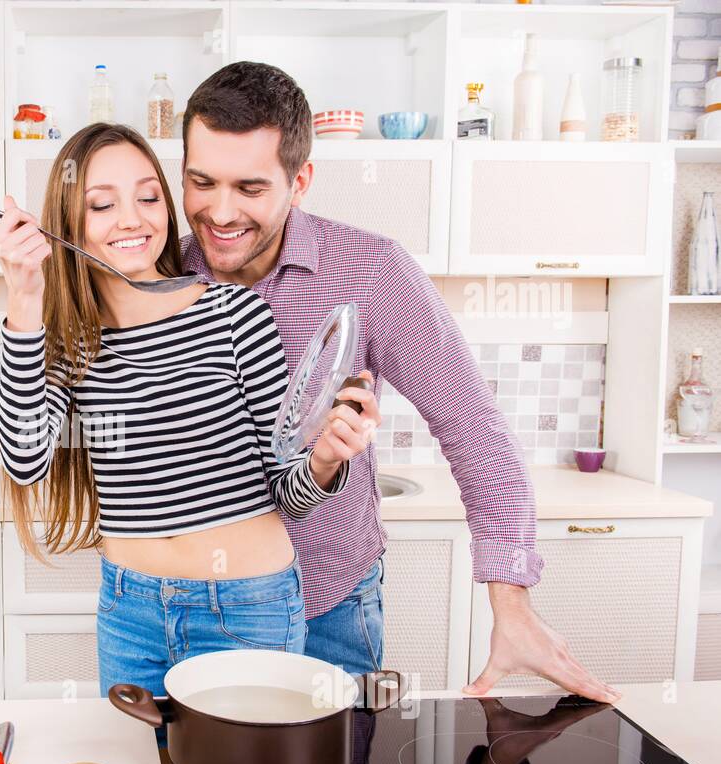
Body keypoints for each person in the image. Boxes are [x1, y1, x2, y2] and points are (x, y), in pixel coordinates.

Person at [176, 61, 618, 702]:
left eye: (249, 187)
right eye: (200, 182)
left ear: (299, 181)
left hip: (326, 605)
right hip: (193, 606)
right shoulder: (161, 271)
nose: (218, 212)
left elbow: (473, 429)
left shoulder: (372, 271)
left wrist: (512, 601)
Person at [0, 122, 380, 699]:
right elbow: (26, 461)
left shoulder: (233, 313)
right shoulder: (70, 343)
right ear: (66, 225)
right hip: (130, 614)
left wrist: (325, 460)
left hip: (248, 609)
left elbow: (284, 492)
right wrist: (24, 299)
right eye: (103, 204)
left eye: (149, 197)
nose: (132, 218)